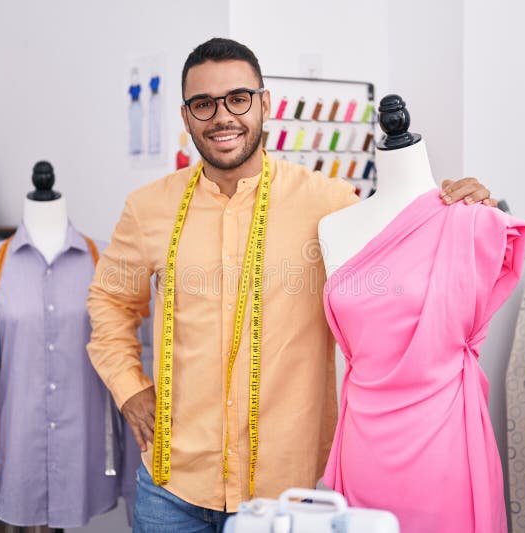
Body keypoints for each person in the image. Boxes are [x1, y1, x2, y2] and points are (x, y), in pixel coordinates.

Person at [87, 37, 496, 533]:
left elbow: (411, 259)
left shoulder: (331, 202)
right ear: (187, 115)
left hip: (286, 497)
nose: (222, 117)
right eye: (203, 104)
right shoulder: (147, 207)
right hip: (172, 486)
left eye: (238, 98)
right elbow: (109, 299)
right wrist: (130, 388)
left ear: (266, 103)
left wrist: (468, 213)